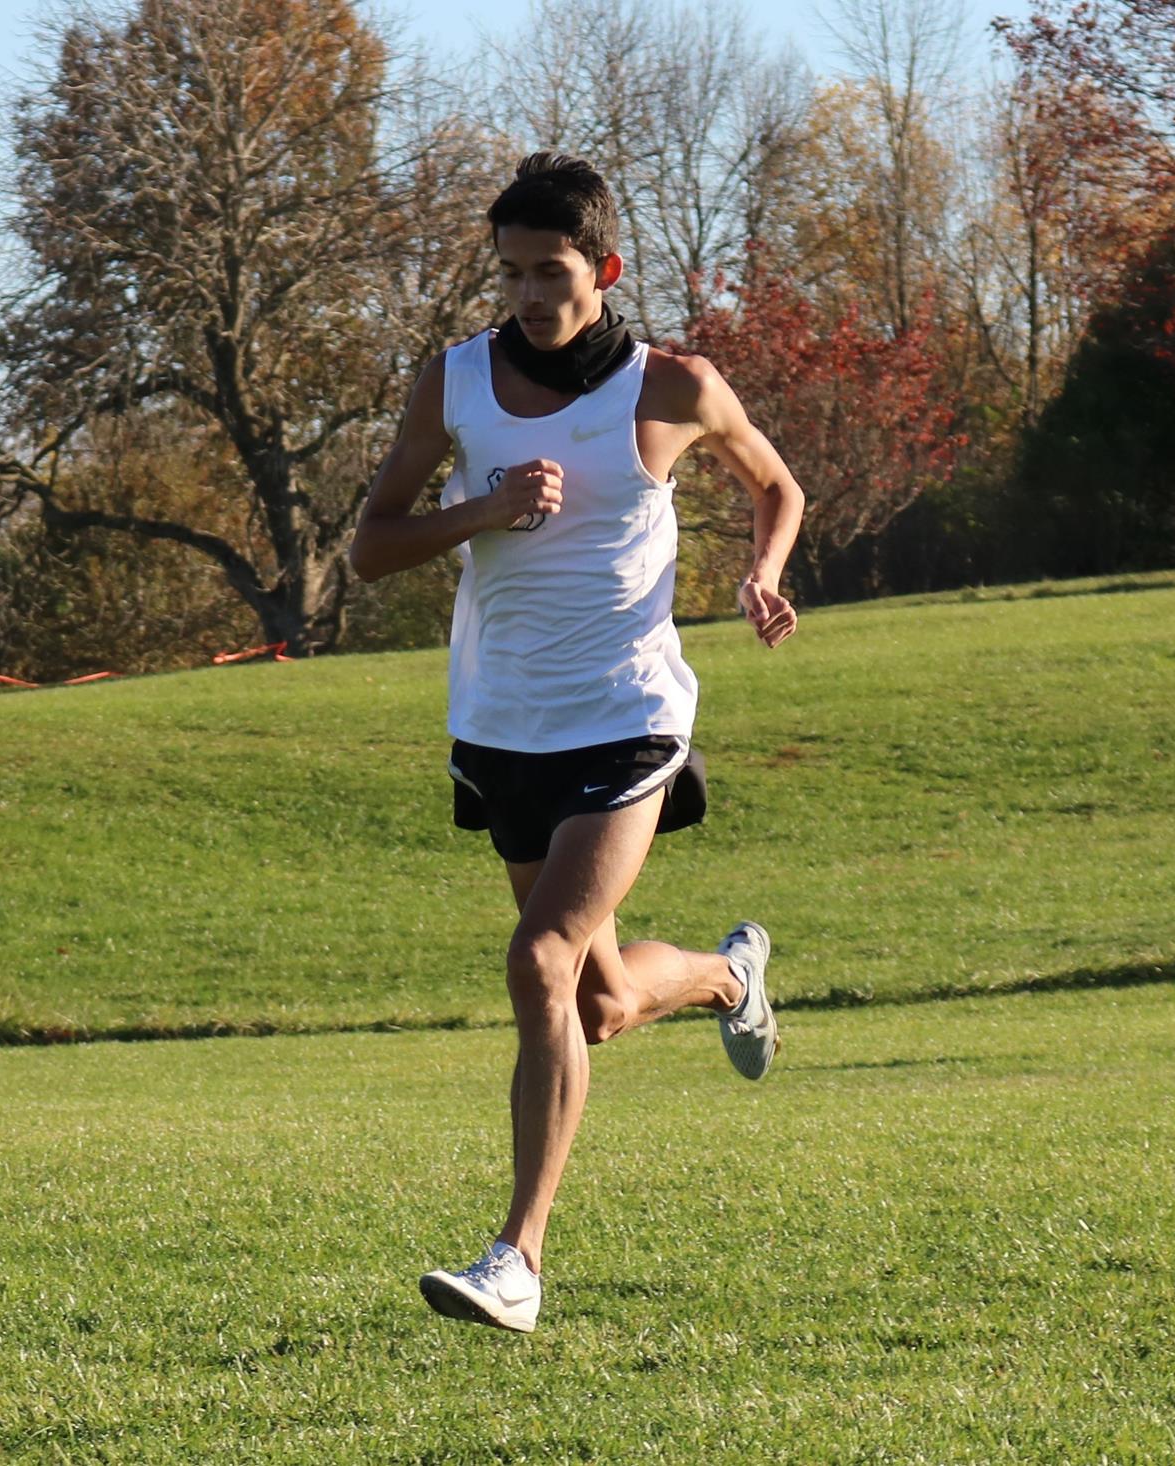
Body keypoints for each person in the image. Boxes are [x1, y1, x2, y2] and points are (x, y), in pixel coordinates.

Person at [347, 152, 806, 1334]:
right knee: (595, 1002)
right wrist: (484, 509)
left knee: (539, 958)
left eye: (550, 272)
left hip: (627, 714)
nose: (528, 296)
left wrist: (761, 572)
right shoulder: (454, 381)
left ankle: (517, 1257)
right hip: (503, 723)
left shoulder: (672, 385)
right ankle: (729, 976)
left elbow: (777, 486)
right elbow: (373, 546)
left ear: (603, 268)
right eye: (510, 273)